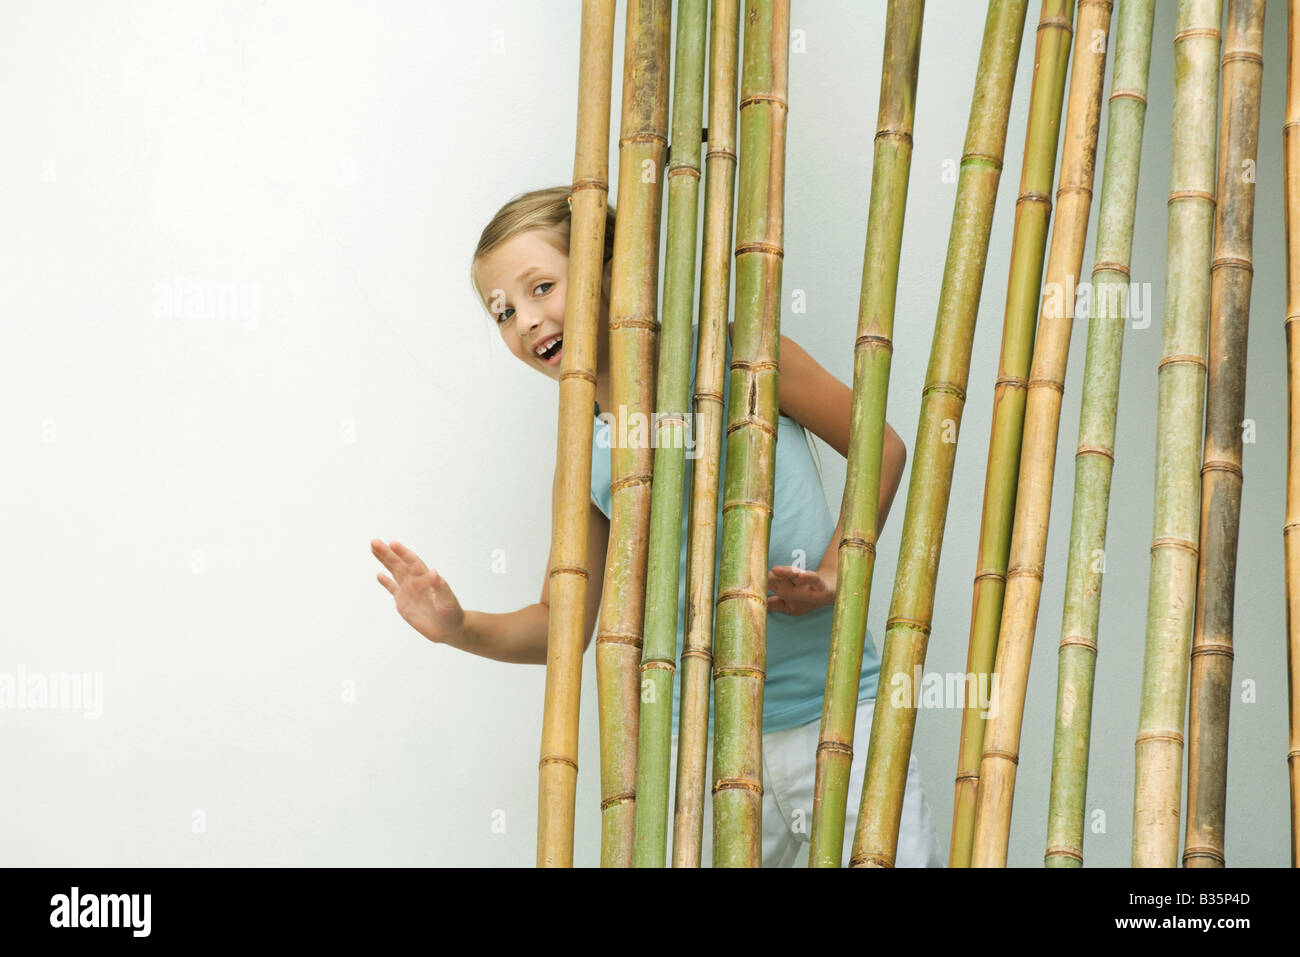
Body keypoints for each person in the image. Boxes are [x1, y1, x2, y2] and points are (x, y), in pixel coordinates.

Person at [371, 184, 943, 867]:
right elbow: (563, 623)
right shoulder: (584, 451)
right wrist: (458, 626)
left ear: (615, 267)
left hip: (845, 717)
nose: (525, 321)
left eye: (542, 287)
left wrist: (832, 570)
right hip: (709, 753)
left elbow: (882, 447)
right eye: (503, 311)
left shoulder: (740, 355)